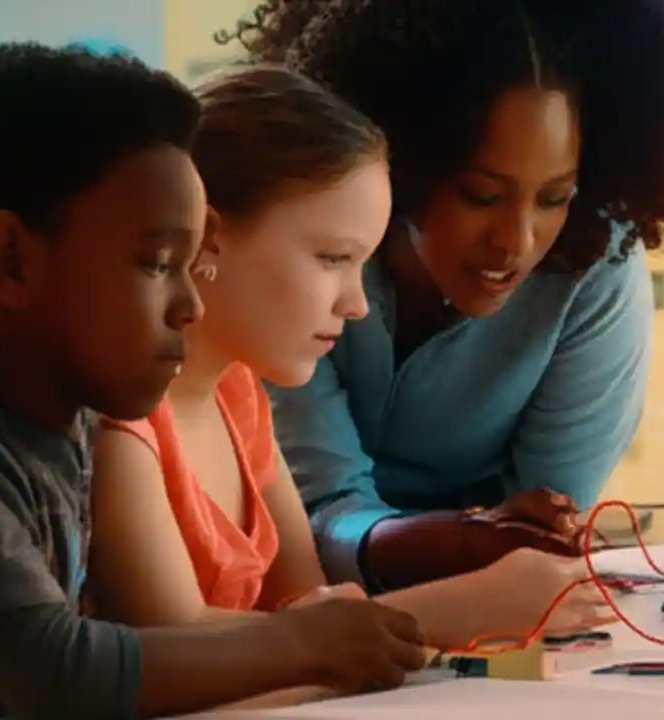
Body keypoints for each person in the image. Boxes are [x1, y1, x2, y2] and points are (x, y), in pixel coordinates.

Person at [0, 43, 424, 720]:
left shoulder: (60, 441)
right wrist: (298, 644)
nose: (191, 305)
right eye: (156, 264)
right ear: (10, 261)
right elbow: (56, 671)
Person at [86, 64, 610, 652]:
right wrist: (460, 608)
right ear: (207, 236)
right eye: (334, 258)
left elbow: (308, 607)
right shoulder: (120, 426)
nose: (358, 305)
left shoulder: (239, 398)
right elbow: (173, 648)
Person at [230, 0, 664, 592]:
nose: (516, 241)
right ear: (405, 164)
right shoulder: (304, 255)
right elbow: (308, 511)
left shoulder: (594, 275)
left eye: (554, 198)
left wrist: (492, 539)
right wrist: (463, 539)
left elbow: (542, 532)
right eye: (481, 195)